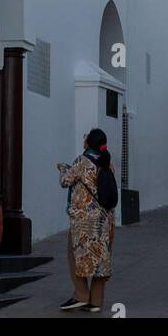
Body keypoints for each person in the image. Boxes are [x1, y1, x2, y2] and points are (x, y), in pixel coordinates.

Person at [57, 128, 116, 312]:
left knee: (75, 255)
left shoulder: (82, 161)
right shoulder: (107, 163)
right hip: (105, 220)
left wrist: (63, 168)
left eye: (86, 137)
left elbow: (65, 181)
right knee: (100, 259)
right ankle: (96, 302)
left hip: (84, 221)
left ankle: (81, 295)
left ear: (89, 143)